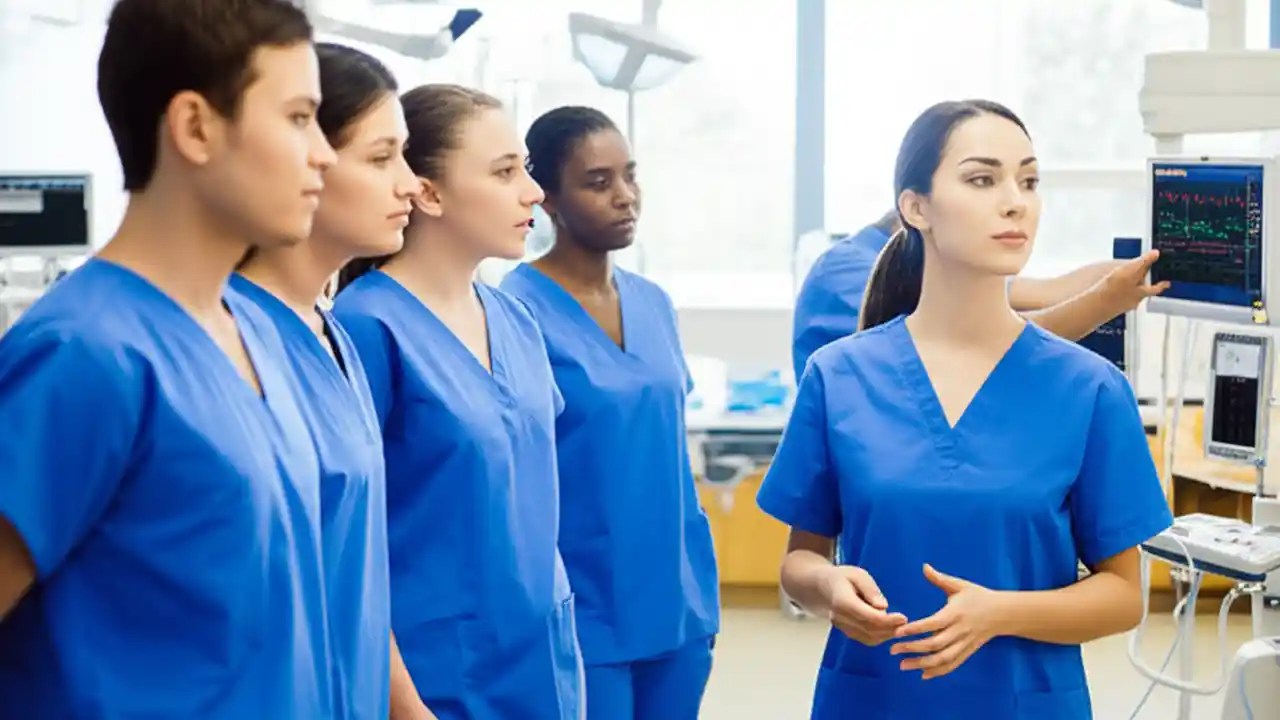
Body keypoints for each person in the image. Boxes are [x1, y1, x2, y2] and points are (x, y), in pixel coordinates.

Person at [756, 99, 1173, 719]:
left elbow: (1122, 597)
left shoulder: (1089, 390)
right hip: (873, 699)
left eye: (1028, 181)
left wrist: (1000, 612)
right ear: (916, 206)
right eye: (983, 179)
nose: (1015, 201)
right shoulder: (841, 376)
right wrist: (827, 588)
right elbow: (801, 560)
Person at [0, 1, 339, 717]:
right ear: (194, 127)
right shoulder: (85, 354)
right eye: (300, 117)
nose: (324, 155)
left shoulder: (256, 331)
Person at [332, 84, 582, 720]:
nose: (533, 192)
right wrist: (402, 703)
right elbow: (343, 540)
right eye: (504, 172)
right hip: (432, 675)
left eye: (525, 168)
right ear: (429, 192)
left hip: (540, 660)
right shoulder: (368, 328)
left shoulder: (515, 319)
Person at [232, 43, 432, 720]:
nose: (410, 184)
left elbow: (356, 577)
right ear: (304, 163)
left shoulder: (331, 333)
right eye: (381, 159)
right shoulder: (231, 342)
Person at [503, 106, 718, 720]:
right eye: (598, 182)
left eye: (630, 176)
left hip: (678, 605)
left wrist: (700, 599)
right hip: (584, 611)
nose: (625, 197)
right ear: (546, 197)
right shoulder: (511, 313)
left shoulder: (654, 304)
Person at [791, 212, 1169, 382]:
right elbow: (989, 341)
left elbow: (1046, 291)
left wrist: (1147, 268)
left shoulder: (939, 265)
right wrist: (1108, 300)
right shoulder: (848, 274)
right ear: (918, 209)